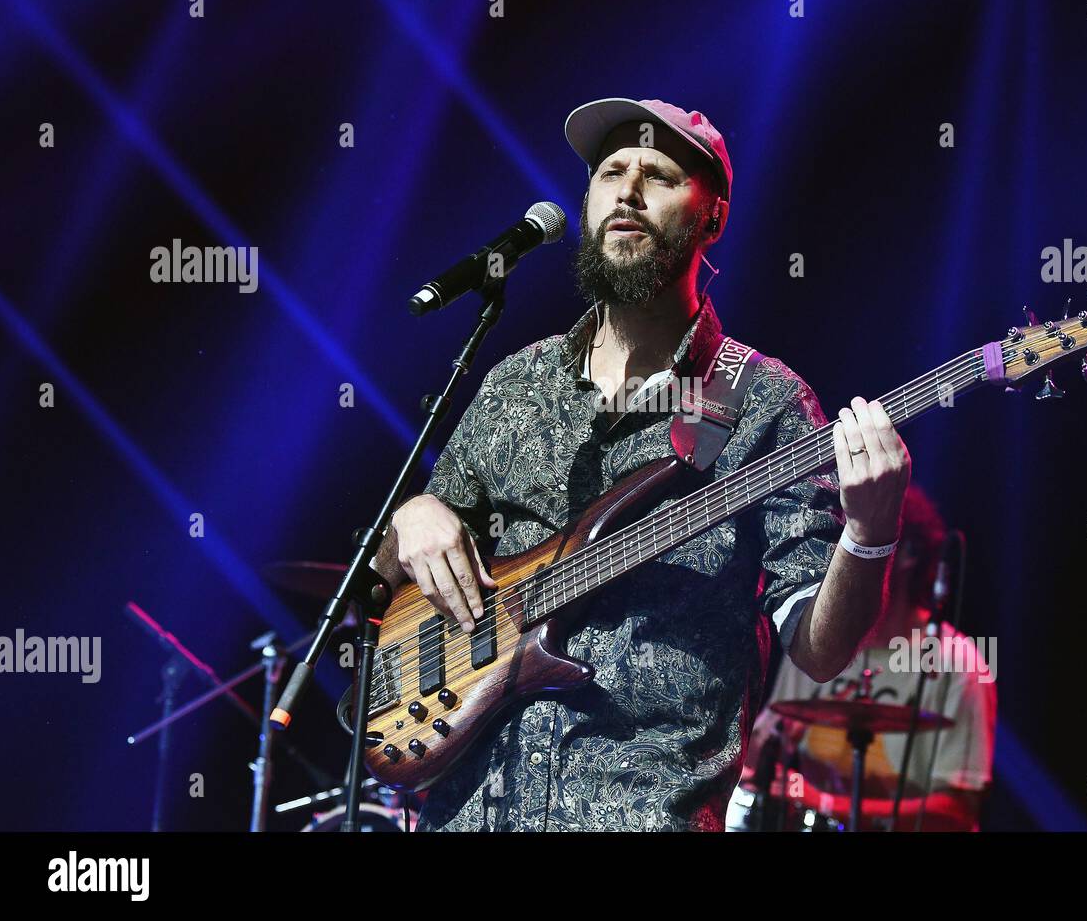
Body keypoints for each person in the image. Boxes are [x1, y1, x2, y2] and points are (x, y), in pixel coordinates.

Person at [372, 97, 912, 831]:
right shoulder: (515, 384)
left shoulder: (768, 401)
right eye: (609, 172)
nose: (625, 190)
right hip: (471, 811)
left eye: (656, 174)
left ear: (712, 216)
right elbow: (395, 572)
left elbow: (819, 650)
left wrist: (869, 534)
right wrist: (412, 518)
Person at [744, 486, 996, 831]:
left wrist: (826, 804)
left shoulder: (959, 663)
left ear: (907, 553)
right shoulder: (815, 635)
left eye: (859, 541)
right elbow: (758, 754)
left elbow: (956, 808)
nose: (839, 556)